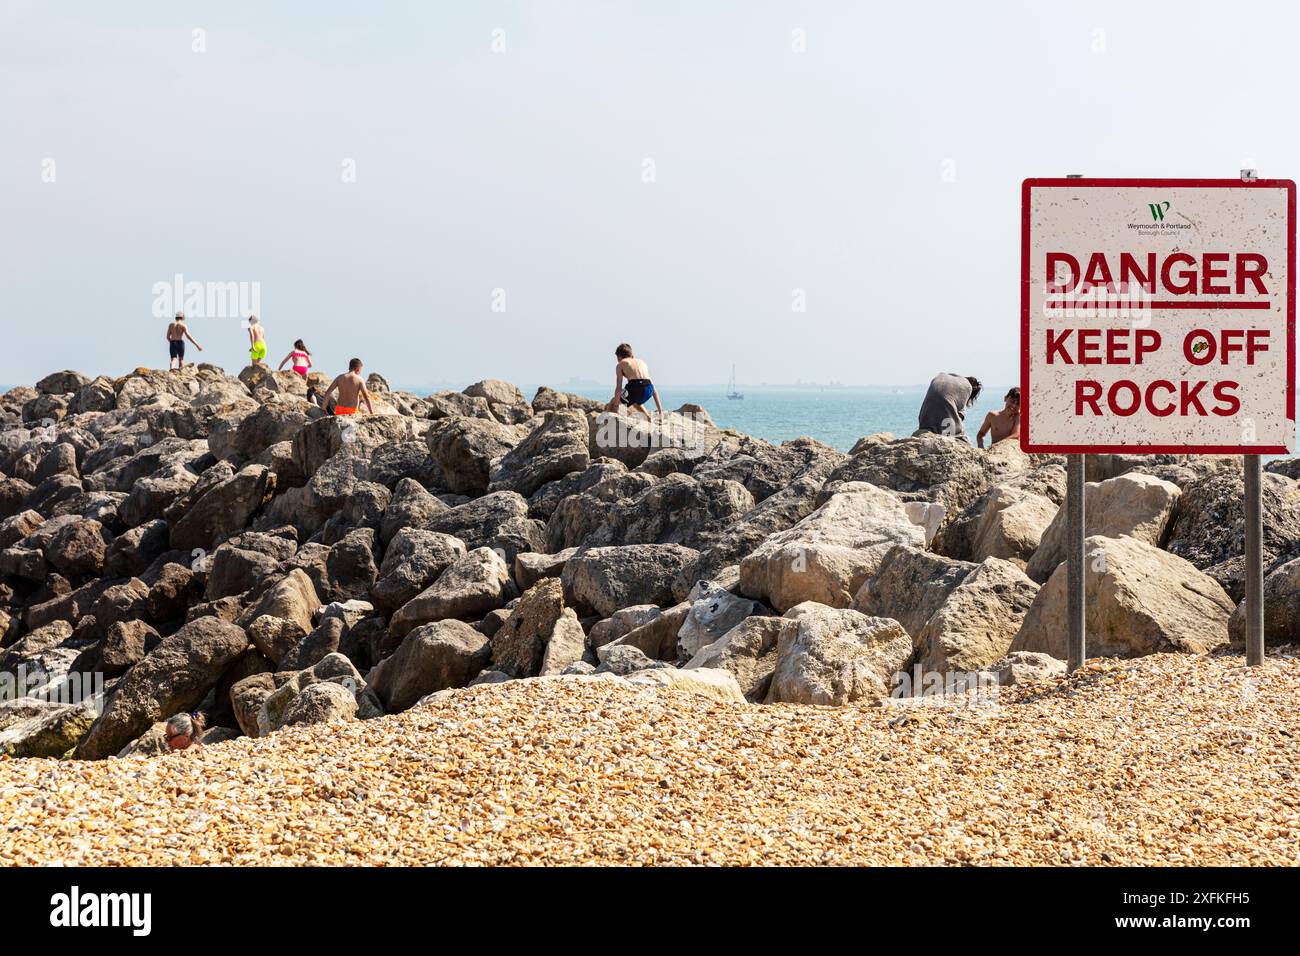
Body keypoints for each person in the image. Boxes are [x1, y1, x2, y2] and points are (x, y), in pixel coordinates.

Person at [916, 373, 982, 443]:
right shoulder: (967, 387)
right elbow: (960, 415)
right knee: (963, 439)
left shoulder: (942, 377)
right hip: (946, 426)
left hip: (924, 421)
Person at [605, 343, 664, 421]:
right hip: (649, 388)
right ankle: (648, 418)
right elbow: (654, 389)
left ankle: (607, 423)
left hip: (635, 388)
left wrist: (616, 407)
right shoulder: (642, 362)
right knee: (634, 401)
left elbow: (618, 388)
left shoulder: (621, 364)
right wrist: (660, 412)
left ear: (619, 357)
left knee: (613, 402)